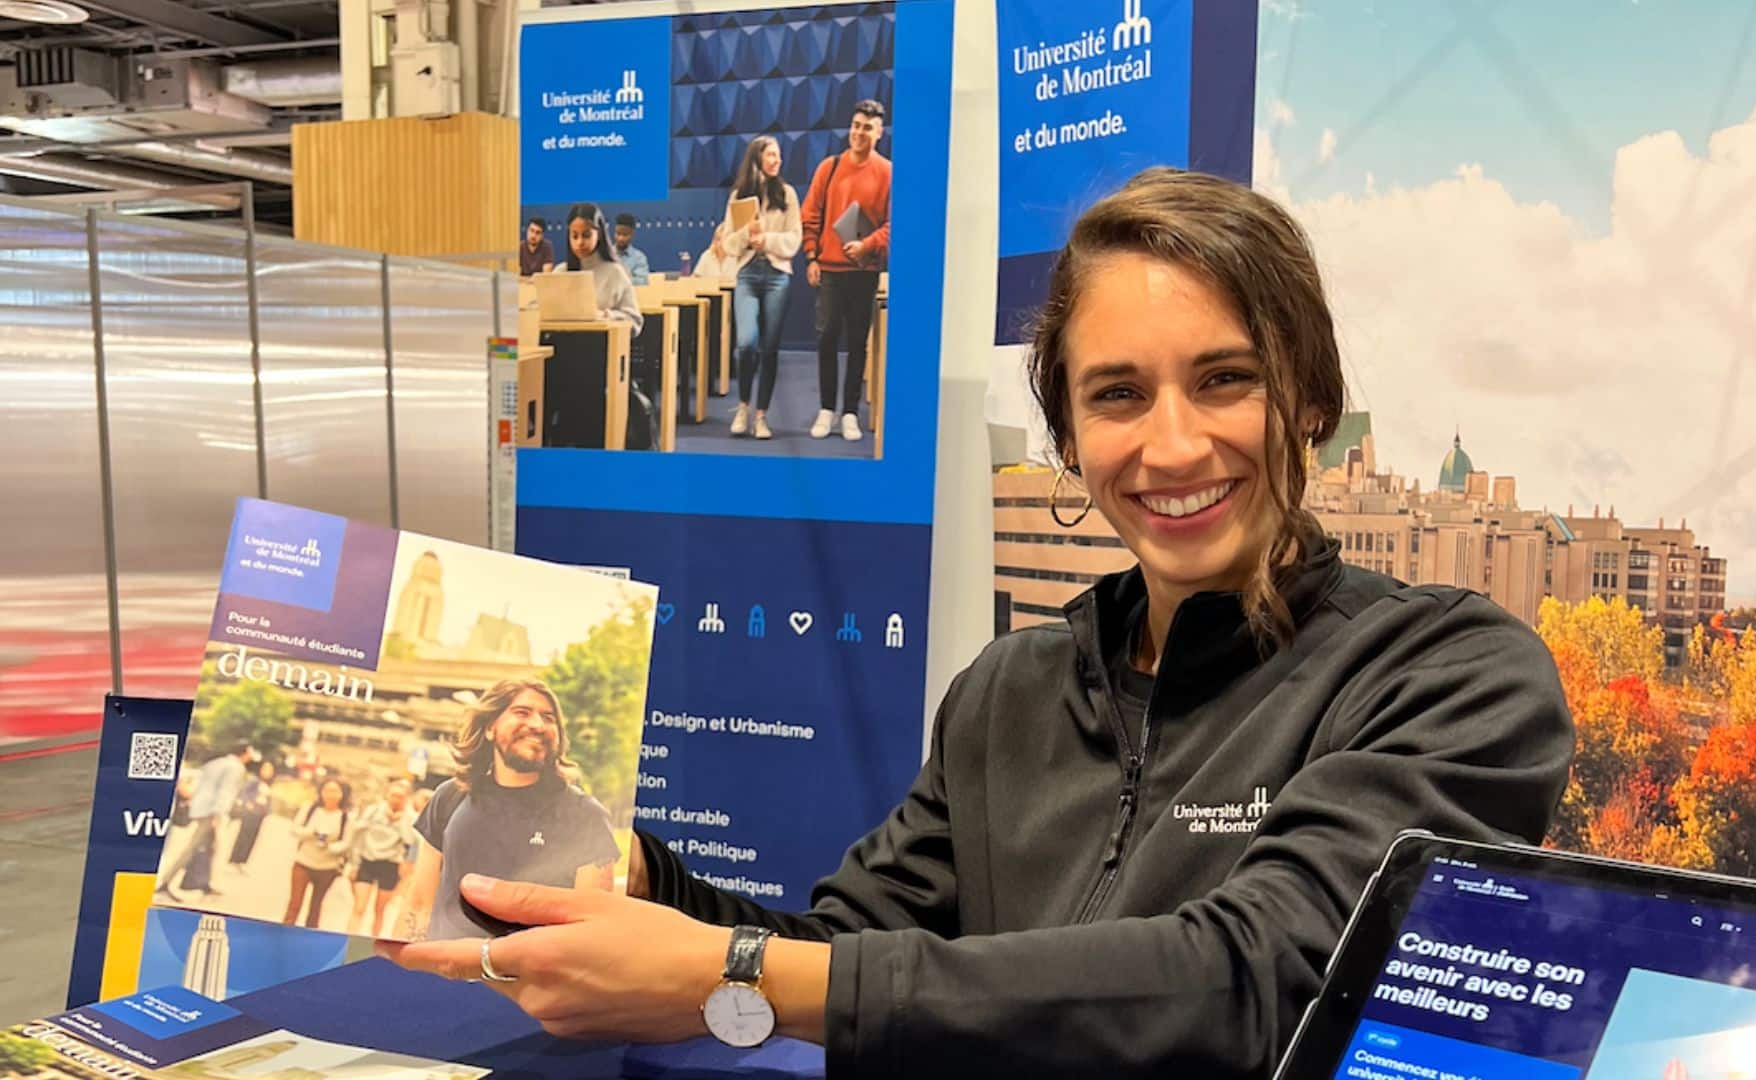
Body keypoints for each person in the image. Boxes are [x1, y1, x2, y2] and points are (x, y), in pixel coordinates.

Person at [382, 169, 1573, 1078]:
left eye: (1225, 379)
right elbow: (845, 943)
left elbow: (1259, 981)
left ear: (1309, 397)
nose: (1171, 445)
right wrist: (641, 883)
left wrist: (737, 973)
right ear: (1068, 434)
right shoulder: (1010, 690)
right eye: (1117, 395)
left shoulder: (1452, 674)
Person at [393, 678, 619, 942]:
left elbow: (590, 931)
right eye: (522, 712)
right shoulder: (450, 796)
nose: (537, 724)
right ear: (490, 727)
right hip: (441, 974)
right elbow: (419, 903)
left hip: (527, 980)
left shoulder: (586, 816)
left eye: (548, 717)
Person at [800, 98, 891, 442]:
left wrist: (868, 245)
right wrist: (811, 257)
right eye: (856, 125)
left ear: (879, 132)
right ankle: (827, 409)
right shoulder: (830, 167)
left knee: (857, 343)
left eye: (867, 127)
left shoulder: (887, 172)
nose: (859, 133)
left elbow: (892, 223)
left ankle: (850, 412)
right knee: (826, 338)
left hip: (864, 271)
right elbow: (810, 214)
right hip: (829, 271)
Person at [720, 136, 802, 441]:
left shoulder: (788, 194)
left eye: (779, 155)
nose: (777, 160)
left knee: (769, 349)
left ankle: (761, 417)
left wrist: (765, 239)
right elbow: (728, 243)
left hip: (777, 276)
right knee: (746, 343)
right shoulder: (739, 196)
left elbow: (794, 240)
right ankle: (742, 407)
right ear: (757, 158)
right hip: (748, 275)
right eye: (771, 155)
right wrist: (747, 236)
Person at [560, 202, 651, 450]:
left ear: (600, 234)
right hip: (564, 358)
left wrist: (607, 316)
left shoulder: (615, 273)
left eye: (586, 235)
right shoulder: (560, 273)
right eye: (574, 236)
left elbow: (635, 320)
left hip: (601, 359)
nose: (579, 242)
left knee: (585, 390)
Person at [154, 742, 253, 901]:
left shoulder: (216, 763)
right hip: (212, 812)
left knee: (207, 847)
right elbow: (225, 792)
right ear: (243, 753)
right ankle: (166, 882)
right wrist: (219, 815)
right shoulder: (235, 767)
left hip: (200, 808)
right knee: (197, 847)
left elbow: (200, 784)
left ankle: (203, 883)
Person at [348, 779, 417, 937]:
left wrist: (400, 820)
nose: (396, 799)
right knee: (359, 906)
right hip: (367, 861)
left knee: (379, 909)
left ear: (406, 799)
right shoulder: (374, 811)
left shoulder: (410, 818)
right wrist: (354, 863)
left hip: (390, 865)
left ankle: (373, 943)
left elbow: (410, 841)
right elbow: (358, 836)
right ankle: (349, 940)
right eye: (393, 795)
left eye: (401, 796)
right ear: (387, 794)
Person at [283, 778, 351, 929]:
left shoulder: (345, 817)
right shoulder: (311, 809)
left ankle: (309, 940)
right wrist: (310, 833)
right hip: (304, 861)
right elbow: (294, 829)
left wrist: (331, 847)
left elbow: (346, 842)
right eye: (327, 790)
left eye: (335, 791)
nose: (330, 795)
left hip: (327, 867)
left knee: (315, 908)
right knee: (295, 904)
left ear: (342, 794)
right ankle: (284, 934)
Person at [226, 759, 275, 872]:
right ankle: (234, 860)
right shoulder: (254, 781)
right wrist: (248, 804)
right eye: (266, 769)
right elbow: (243, 793)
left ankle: (242, 861)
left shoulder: (269, 785)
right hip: (250, 813)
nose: (268, 772)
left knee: (252, 839)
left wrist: (267, 811)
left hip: (259, 815)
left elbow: (269, 802)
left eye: (270, 770)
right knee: (243, 836)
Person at [613, 213, 651, 287]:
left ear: (632, 235)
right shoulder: (606, 254)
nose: (620, 238)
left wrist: (620, 279)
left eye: (625, 235)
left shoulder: (639, 258)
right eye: (618, 234)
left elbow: (643, 282)